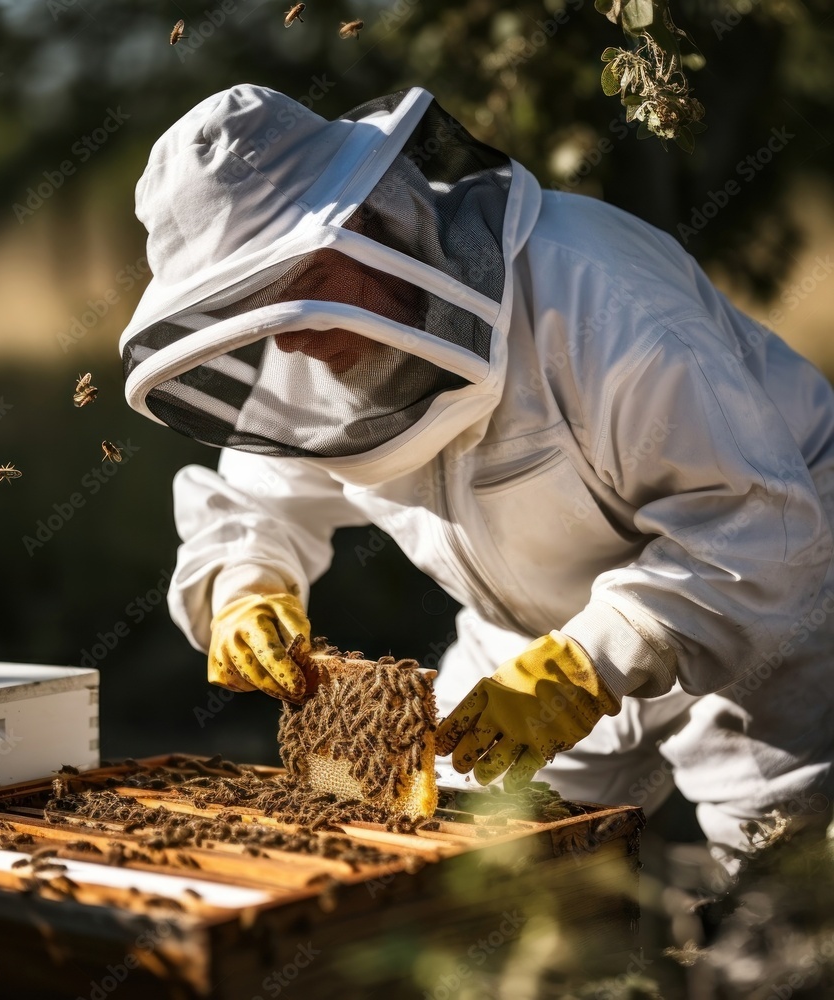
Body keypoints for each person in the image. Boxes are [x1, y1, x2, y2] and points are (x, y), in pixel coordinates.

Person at [118, 83, 834, 878]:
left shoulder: (596, 294)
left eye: (297, 289)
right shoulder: (314, 341)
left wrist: (590, 662)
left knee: (776, 872)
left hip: (771, 586)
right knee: (468, 873)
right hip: (531, 645)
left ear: (370, 222)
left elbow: (755, 522)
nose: (294, 343)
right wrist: (244, 586)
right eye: (256, 310)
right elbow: (259, 499)